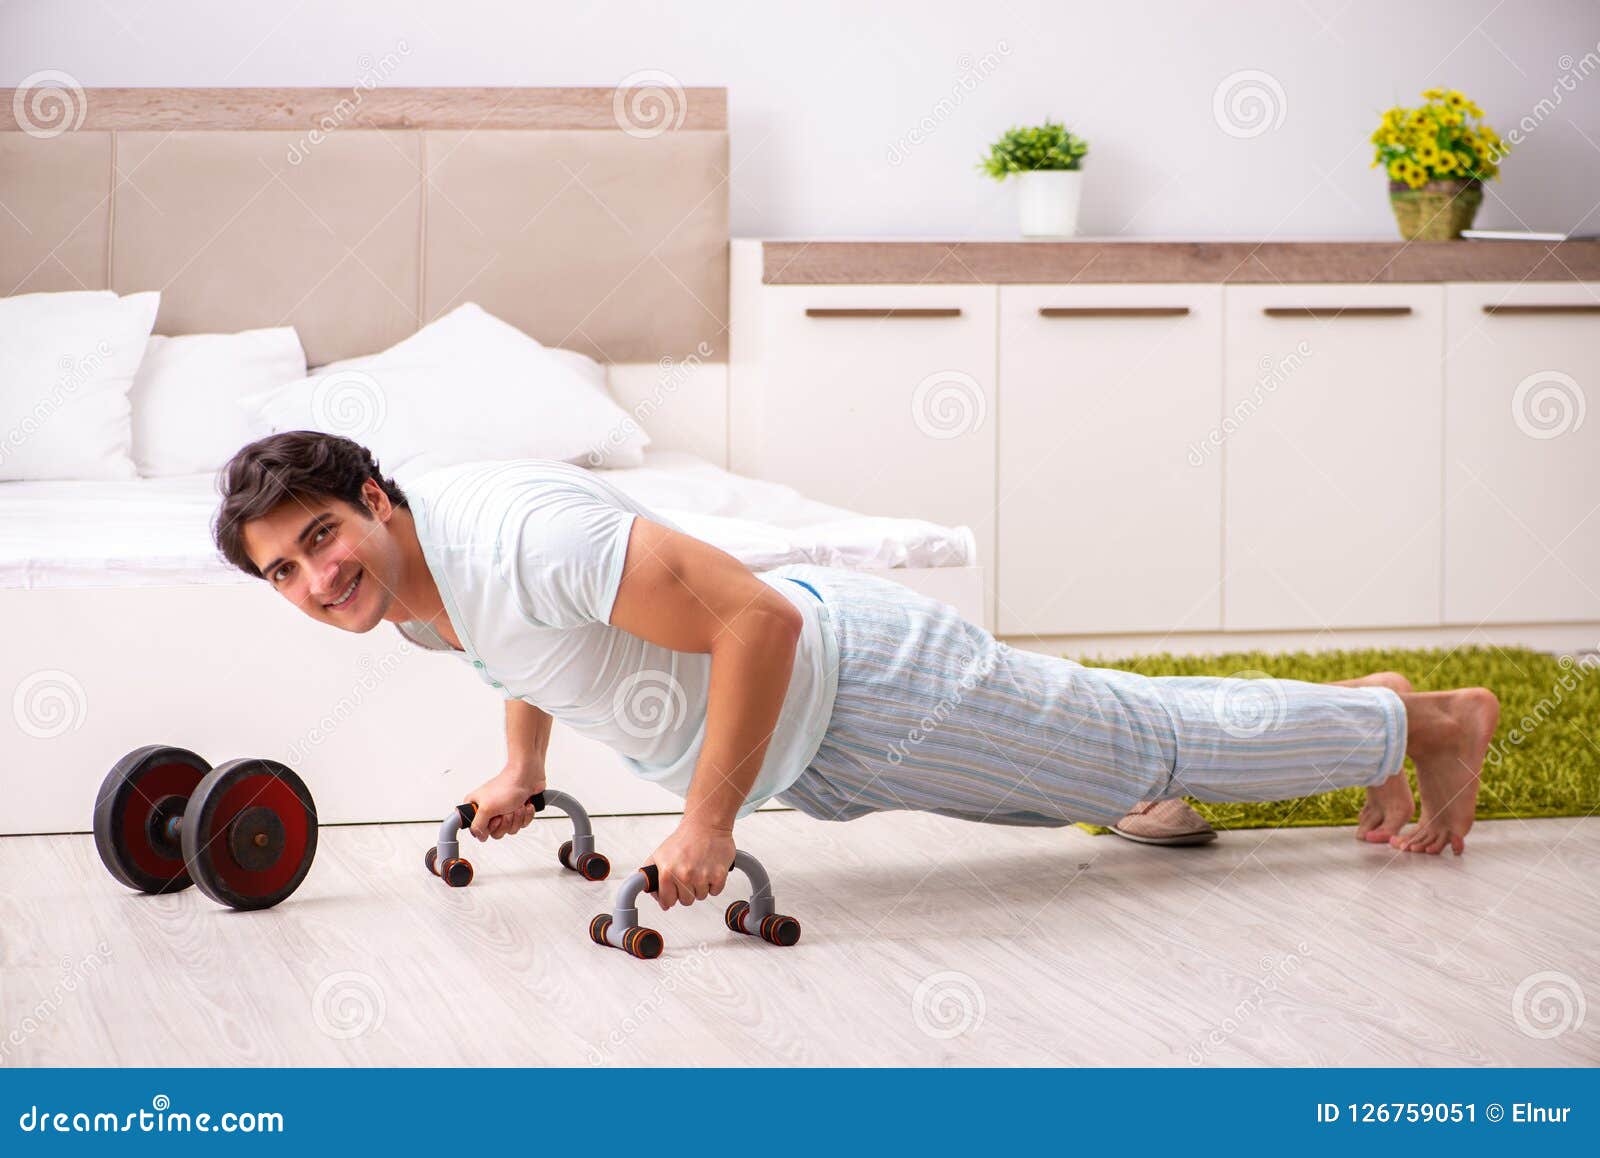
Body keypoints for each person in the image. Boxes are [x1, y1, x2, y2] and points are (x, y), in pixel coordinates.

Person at [213, 433, 1501, 912]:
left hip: (871, 693)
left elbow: (755, 622)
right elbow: (521, 643)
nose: (318, 580)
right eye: (284, 571)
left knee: (1147, 751)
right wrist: (525, 763)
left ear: (373, 498)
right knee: (1115, 753)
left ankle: (1431, 726)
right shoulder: (409, 584)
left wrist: (707, 817)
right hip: (820, 750)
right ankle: (1370, 717)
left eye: (322, 537)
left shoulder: (521, 535)